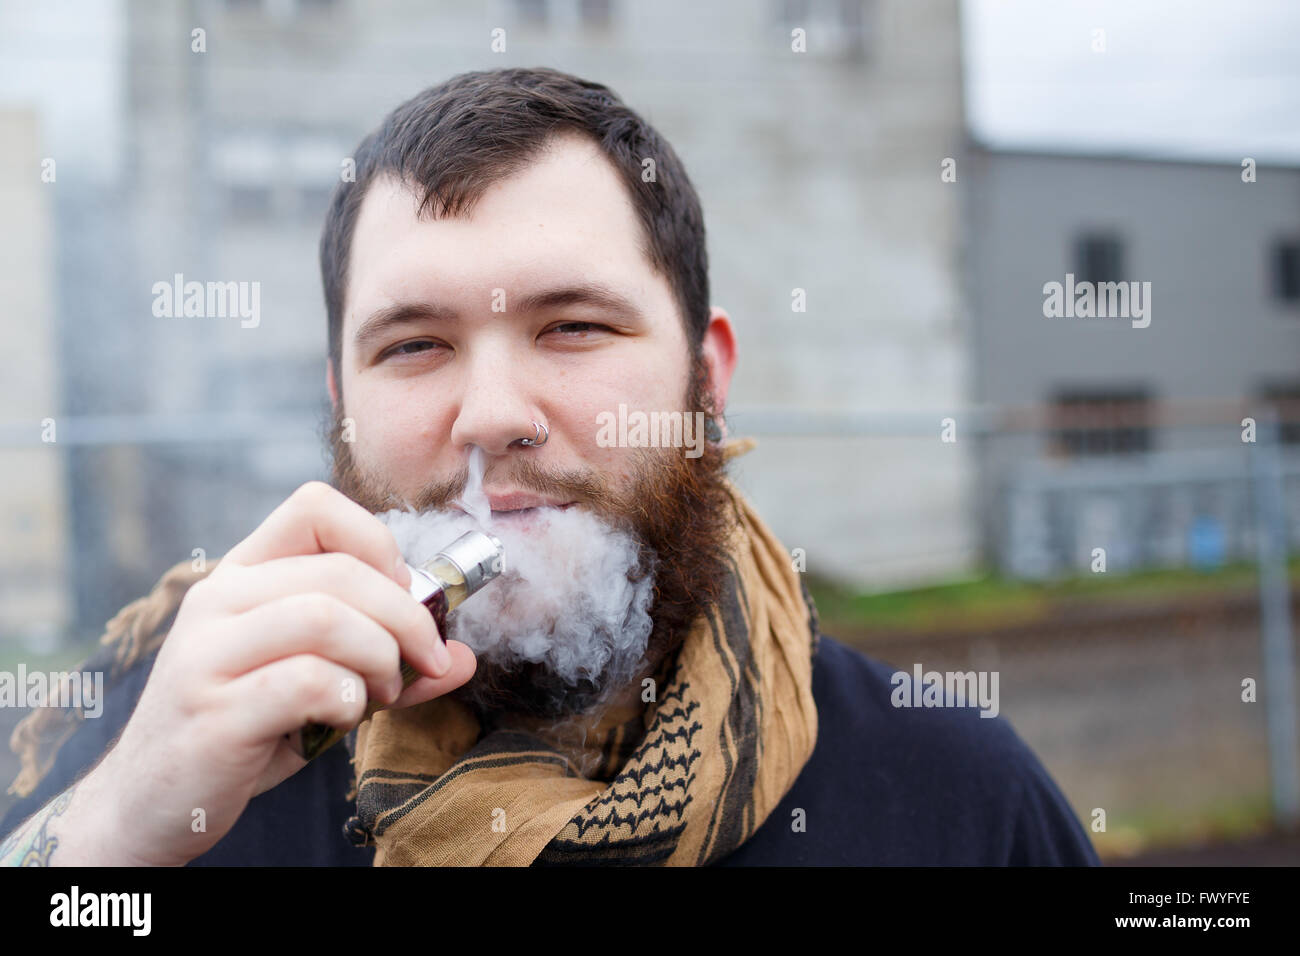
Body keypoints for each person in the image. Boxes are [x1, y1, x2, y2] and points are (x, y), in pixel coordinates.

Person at [0, 67, 1099, 867]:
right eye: (414, 345)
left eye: (572, 325)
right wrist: (110, 838)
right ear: (338, 408)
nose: (489, 416)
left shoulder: (955, 797)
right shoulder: (194, 763)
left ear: (705, 384)